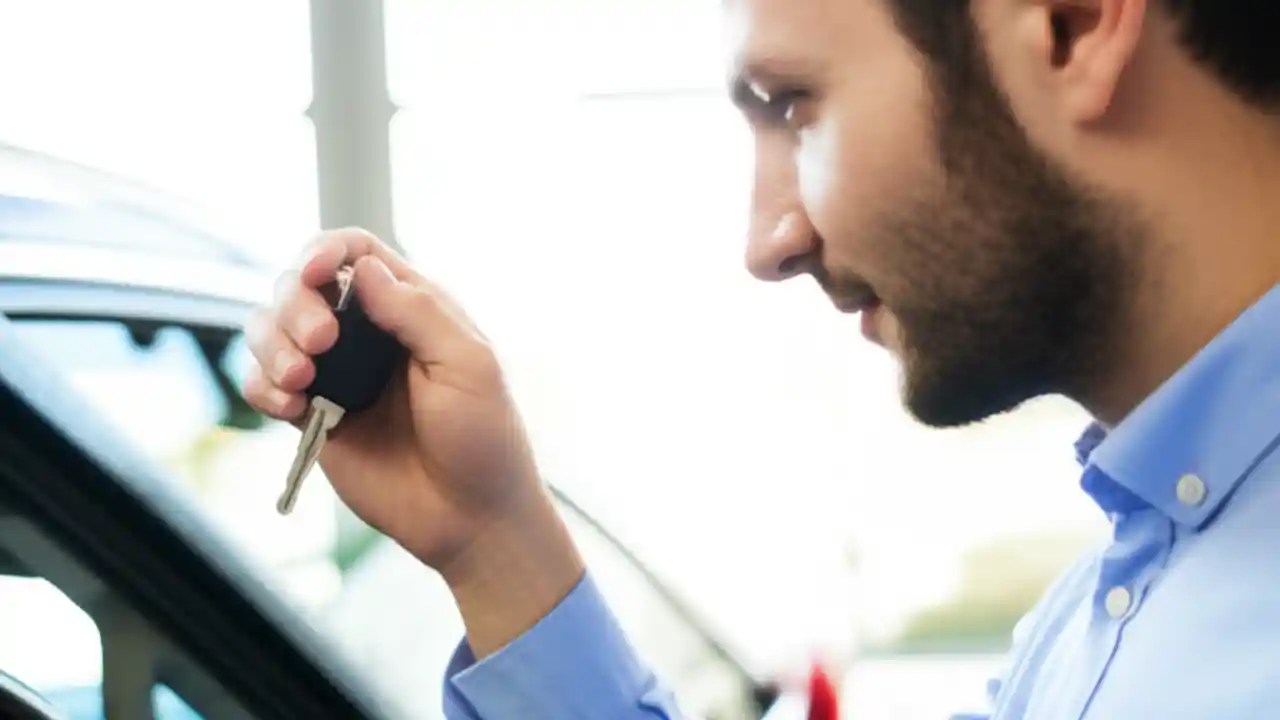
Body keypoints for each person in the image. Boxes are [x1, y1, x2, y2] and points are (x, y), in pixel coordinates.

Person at [242, 0, 1280, 717]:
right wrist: (489, 540)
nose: (766, 242)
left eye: (794, 105)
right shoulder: (1120, 596)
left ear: (1070, 24)